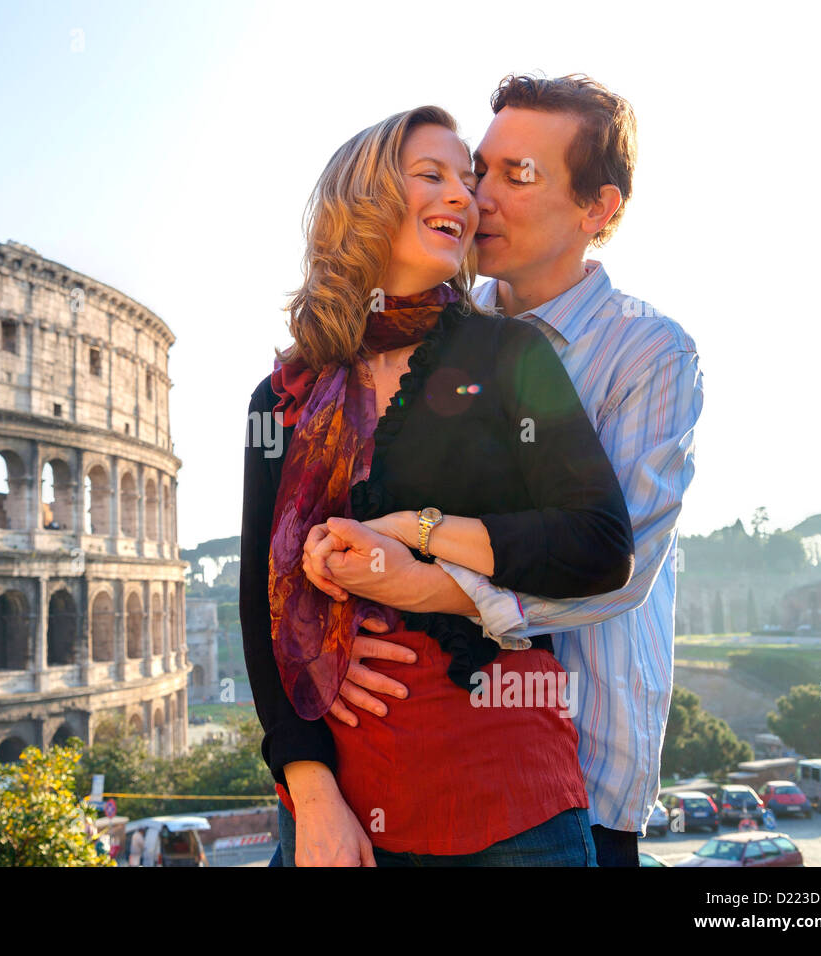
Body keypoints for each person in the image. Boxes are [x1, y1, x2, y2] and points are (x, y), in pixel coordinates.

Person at [313, 74, 704, 868]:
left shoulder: (652, 353)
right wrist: (332, 645)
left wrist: (416, 588)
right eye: (477, 170)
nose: (478, 196)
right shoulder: (419, 340)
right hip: (425, 769)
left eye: (516, 176)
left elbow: (615, 569)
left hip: (588, 769)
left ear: (599, 210)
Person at [241, 104, 635, 866]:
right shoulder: (281, 398)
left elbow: (599, 544)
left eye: (469, 178)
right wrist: (311, 789)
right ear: (362, 200)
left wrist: (415, 534)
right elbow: (262, 602)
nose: (465, 196)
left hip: (509, 798)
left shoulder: (512, 353)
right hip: (337, 805)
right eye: (434, 175)